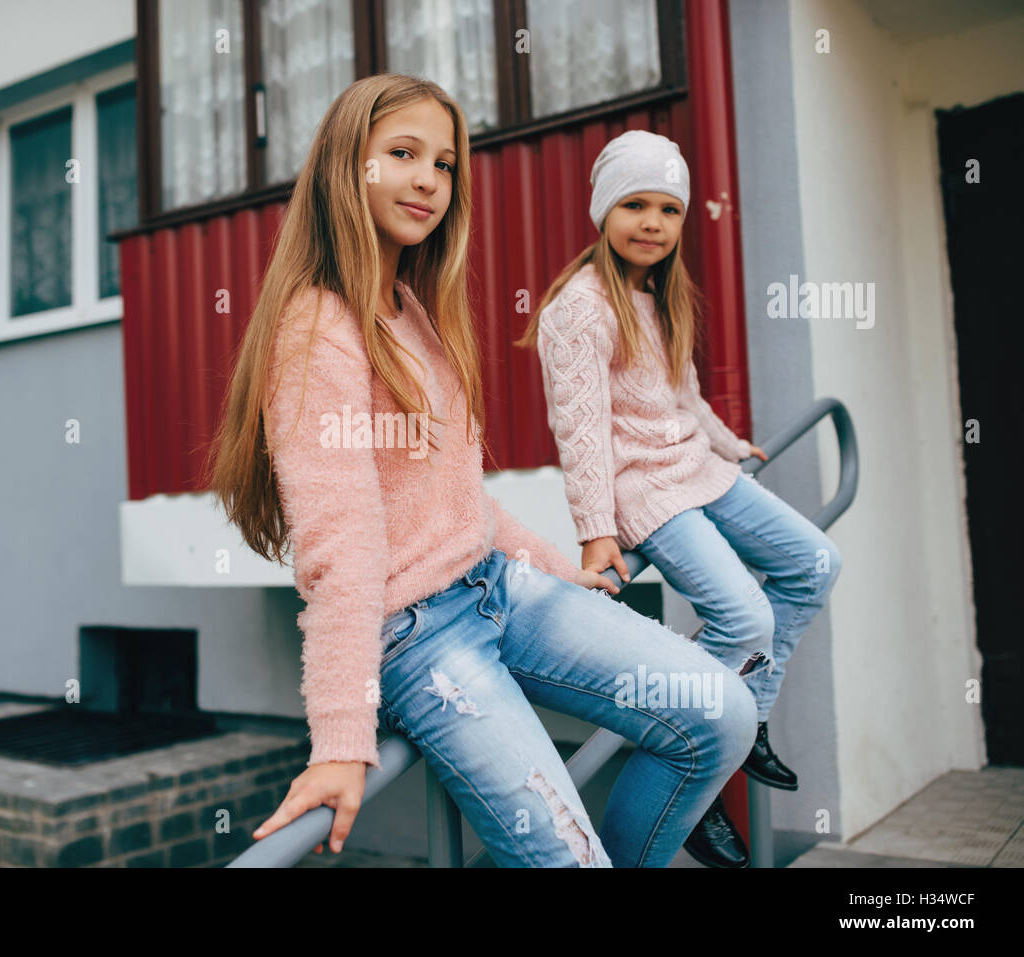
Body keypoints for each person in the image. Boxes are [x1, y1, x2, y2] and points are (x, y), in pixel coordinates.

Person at [208, 76, 756, 867]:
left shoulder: (411, 307)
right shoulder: (318, 328)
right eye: (401, 154)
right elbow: (343, 544)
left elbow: (458, 501)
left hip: (497, 583)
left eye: (445, 162)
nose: (430, 178)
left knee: (722, 712)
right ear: (343, 168)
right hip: (417, 637)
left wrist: (560, 569)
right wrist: (340, 737)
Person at [517, 129, 843, 867]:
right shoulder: (581, 309)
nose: (654, 223)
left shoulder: (657, 294)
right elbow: (581, 431)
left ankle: (746, 715)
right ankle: (699, 753)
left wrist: (730, 444)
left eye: (669, 208)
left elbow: (682, 394)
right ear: (604, 211)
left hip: (700, 468)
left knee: (815, 560)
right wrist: (597, 529)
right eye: (635, 204)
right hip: (645, 491)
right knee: (743, 615)